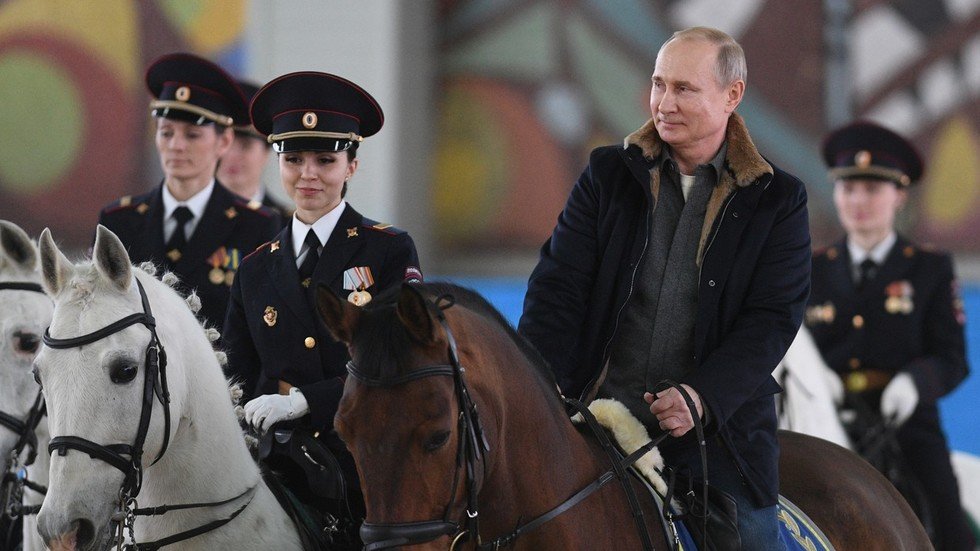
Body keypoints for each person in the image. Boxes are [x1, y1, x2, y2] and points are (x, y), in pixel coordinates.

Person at [519, 26, 810, 548]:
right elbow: (556, 292)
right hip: (592, 420)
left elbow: (771, 320)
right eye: (658, 84)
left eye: (684, 88)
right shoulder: (607, 174)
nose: (663, 103)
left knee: (753, 539)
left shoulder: (778, 199)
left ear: (732, 95)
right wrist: (545, 394)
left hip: (717, 438)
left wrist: (702, 397)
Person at [221, 71, 422, 544]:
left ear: (352, 165)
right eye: (293, 159)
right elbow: (235, 372)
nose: (308, 174)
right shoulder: (254, 268)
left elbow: (402, 357)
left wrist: (306, 402)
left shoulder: (388, 250)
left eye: (325, 160)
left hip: (368, 465)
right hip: (278, 472)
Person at [807, 120, 973, 550]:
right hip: (824, 425)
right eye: (849, 188)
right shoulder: (811, 269)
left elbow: (953, 359)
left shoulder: (929, 268)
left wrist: (914, 382)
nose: (858, 201)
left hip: (905, 428)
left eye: (872, 189)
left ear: (898, 196)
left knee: (946, 524)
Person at [98, 53, 281, 331]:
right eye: (166, 132)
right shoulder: (119, 220)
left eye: (192, 135)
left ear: (224, 141)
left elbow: (262, 326)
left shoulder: (257, 225)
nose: (176, 146)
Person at [217, 79, 292, 221]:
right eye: (225, 143)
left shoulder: (286, 225)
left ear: (266, 152)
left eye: (245, 146)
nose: (232, 155)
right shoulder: (188, 216)